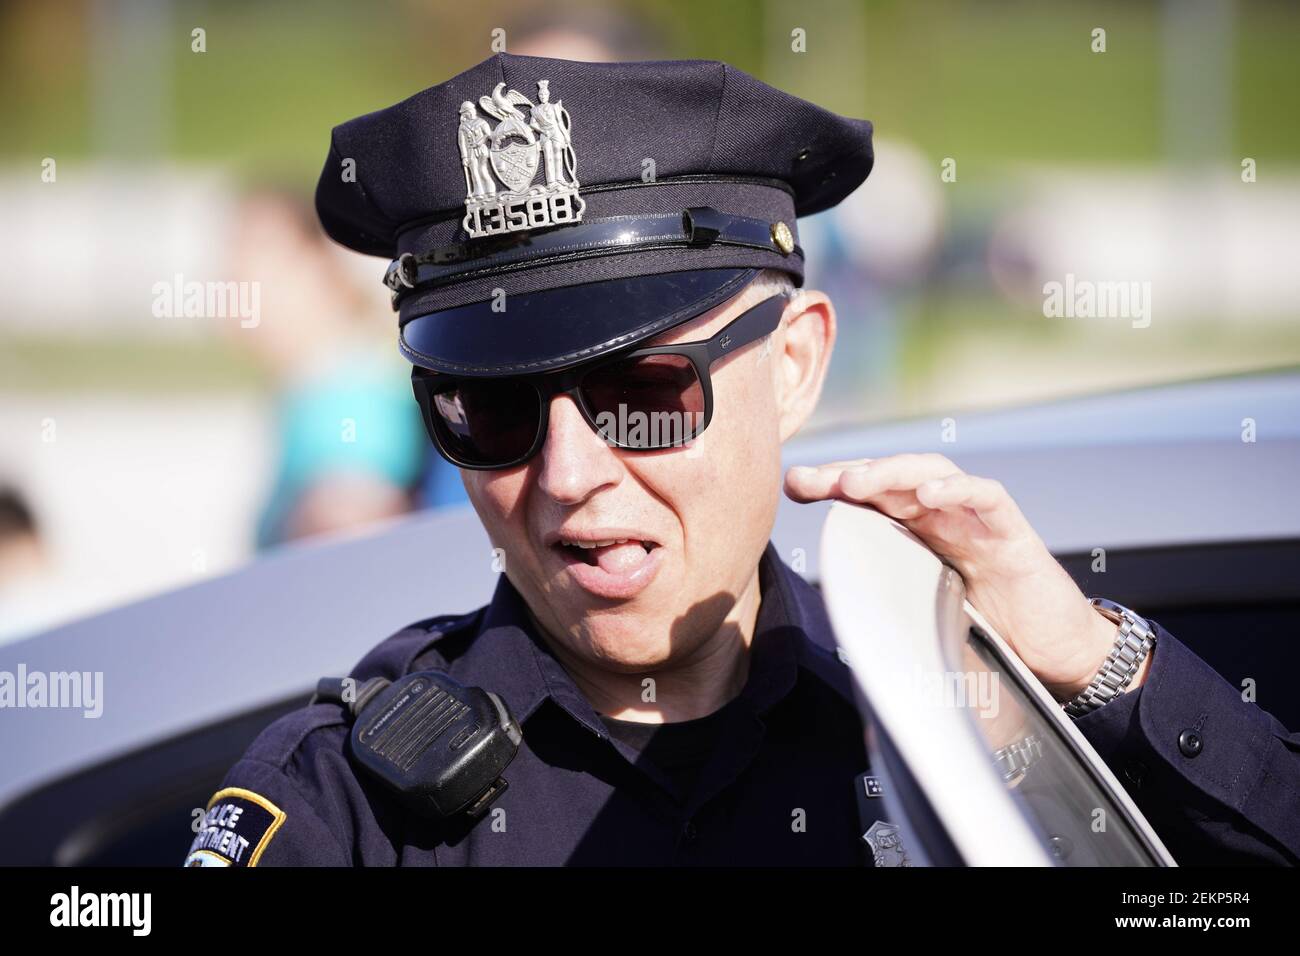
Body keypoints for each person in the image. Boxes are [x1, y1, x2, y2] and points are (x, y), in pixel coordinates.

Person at [183, 54, 1299, 867]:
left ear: (797, 363)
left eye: (642, 393)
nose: (569, 471)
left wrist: (1090, 668)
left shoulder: (957, 730)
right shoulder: (343, 807)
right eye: (492, 407)